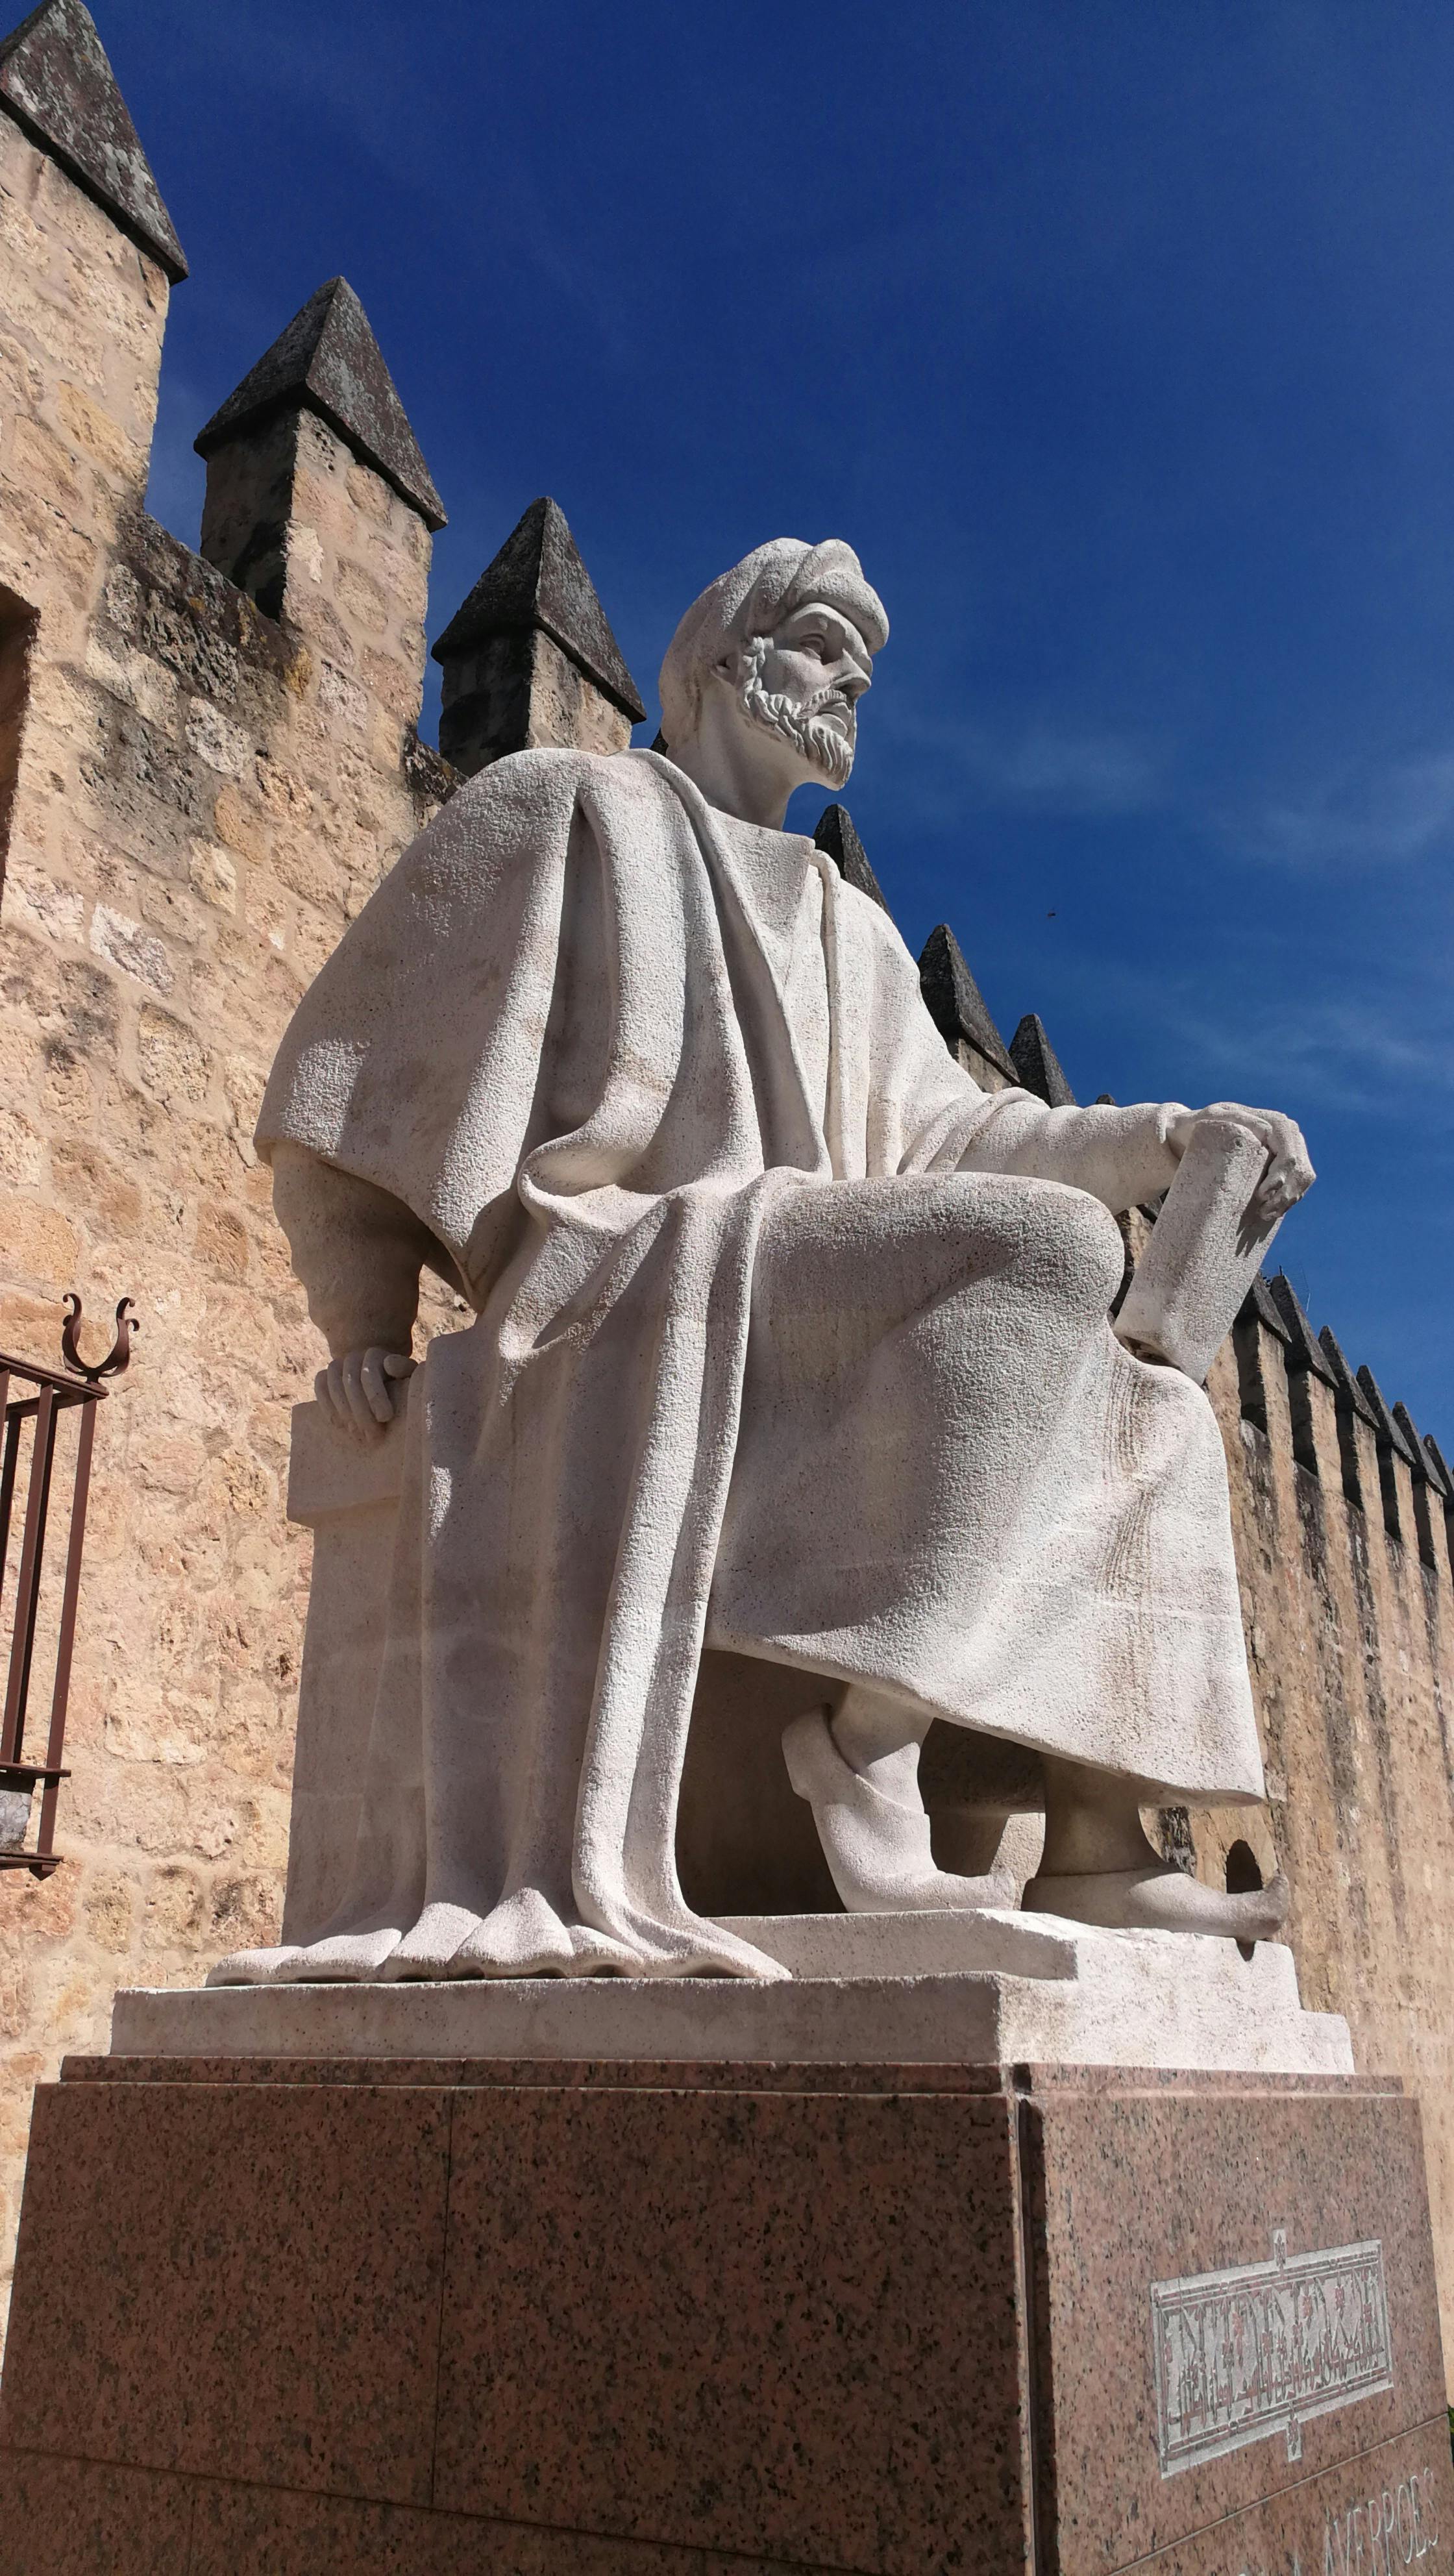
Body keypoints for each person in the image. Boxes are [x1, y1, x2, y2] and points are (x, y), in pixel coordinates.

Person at [213, 538, 1311, 1987]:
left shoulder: (846, 927)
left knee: (1157, 1399)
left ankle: (1104, 1847)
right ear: (720, 659)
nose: (852, 677)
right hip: (632, 1273)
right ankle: (863, 1746)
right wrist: (362, 1313)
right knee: (1044, 1248)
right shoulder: (563, 808)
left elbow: (957, 1126)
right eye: (818, 644)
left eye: (863, 662)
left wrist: (1169, 1140)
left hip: (801, 1277)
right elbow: (355, 1071)